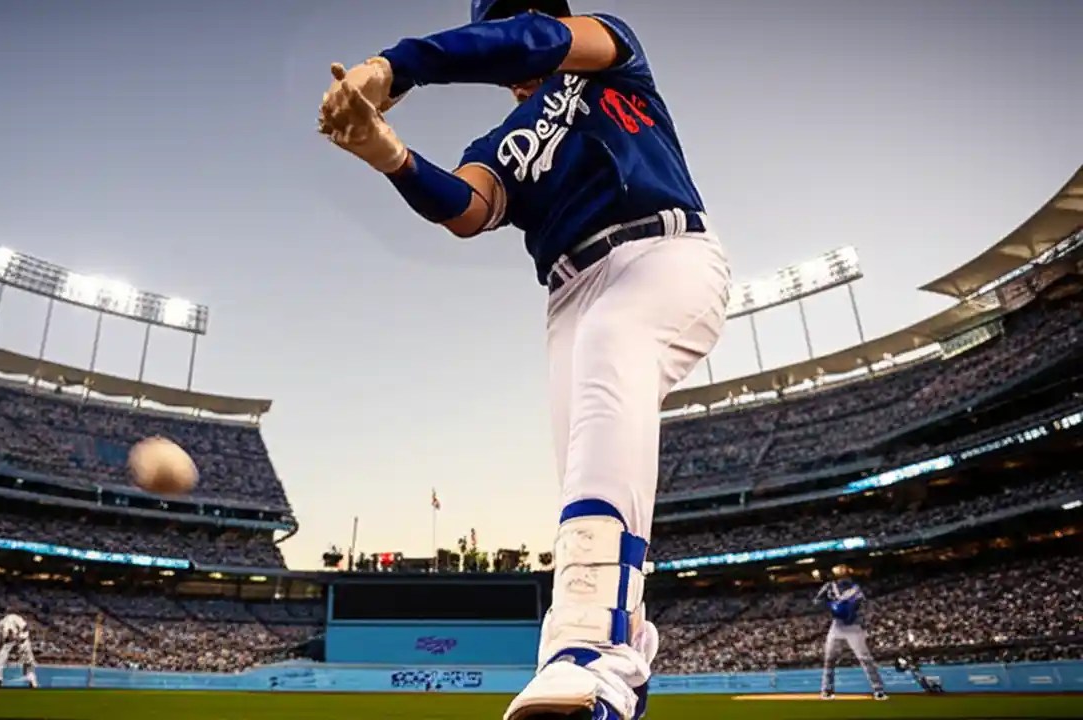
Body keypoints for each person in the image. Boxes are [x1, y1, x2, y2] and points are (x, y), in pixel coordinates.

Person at [318, 2, 730, 717]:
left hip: (660, 254)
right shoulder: (503, 136)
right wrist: (391, 155)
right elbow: (469, 209)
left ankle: (582, 650)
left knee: (614, 345)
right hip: (567, 294)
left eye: (529, 14)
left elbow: (535, 38)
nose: (521, 27)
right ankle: (621, 671)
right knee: (586, 477)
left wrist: (397, 64)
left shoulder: (610, 51)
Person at [814, 578, 888, 700]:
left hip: (853, 626)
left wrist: (834, 603)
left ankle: (878, 689)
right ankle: (827, 690)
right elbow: (817, 602)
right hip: (837, 626)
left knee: (865, 658)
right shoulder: (832, 589)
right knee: (829, 659)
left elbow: (849, 614)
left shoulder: (855, 591)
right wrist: (826, 600)